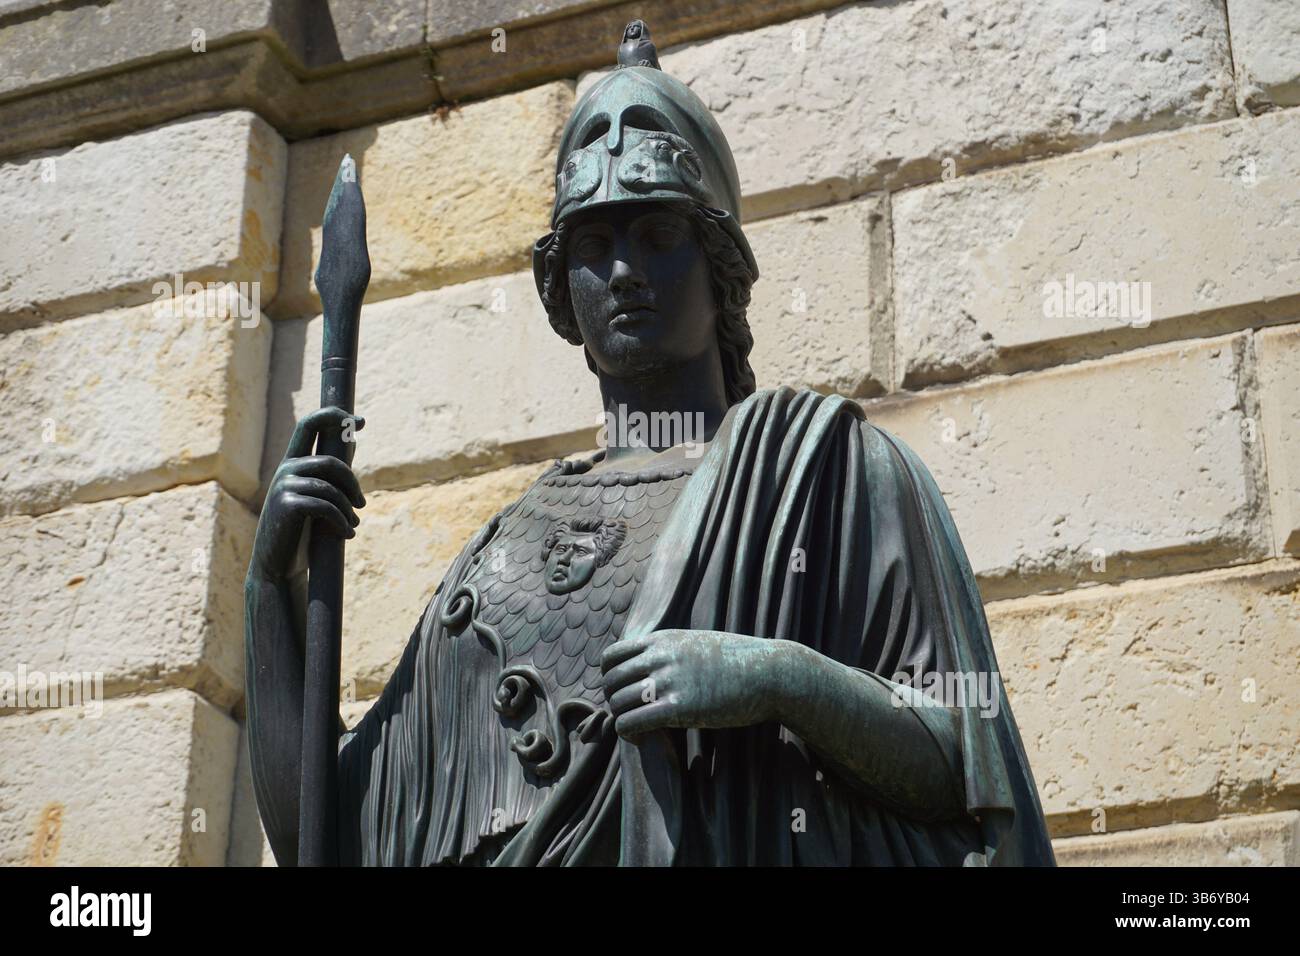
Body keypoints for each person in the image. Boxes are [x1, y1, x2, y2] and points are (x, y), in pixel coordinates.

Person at [245, 20, 1055, 867]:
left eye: (657, 234)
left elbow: (968, 760)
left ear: (720, 267)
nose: (625, 270)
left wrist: (780, 679)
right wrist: (272, 588)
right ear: (563, 292)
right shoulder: (497, 563)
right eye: (594, 245)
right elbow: (326, 834)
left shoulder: (826, 476)